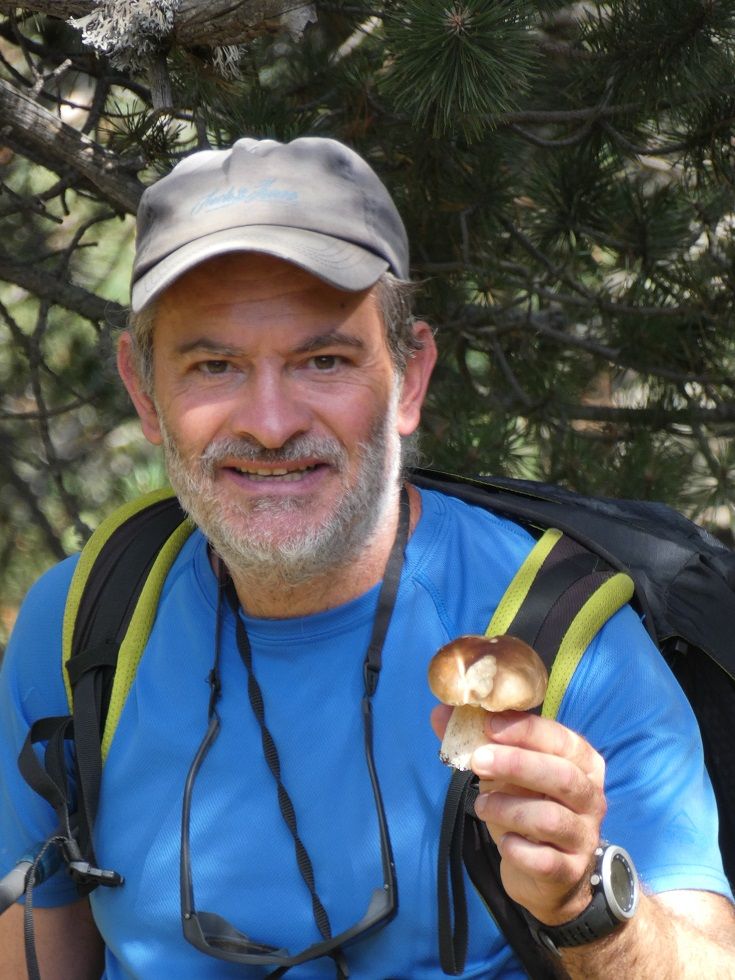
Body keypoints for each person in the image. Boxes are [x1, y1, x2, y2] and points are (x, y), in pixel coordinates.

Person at [0, 135, 733, 980]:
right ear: (144, 391)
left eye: (323, 360)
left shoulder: (564, 632)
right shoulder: (84, 625)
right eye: (213, 365)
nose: (270, 423)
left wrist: (585, 910)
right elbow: (42, 943)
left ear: (410, 378)